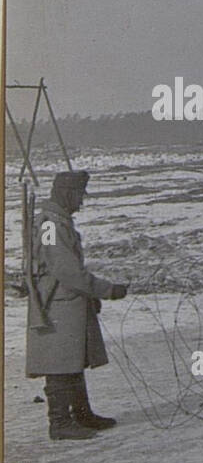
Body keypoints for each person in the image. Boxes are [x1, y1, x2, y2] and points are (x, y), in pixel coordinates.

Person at [25, 170, 129, 440]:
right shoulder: (49, 224)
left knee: (73, 359)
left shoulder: (57, 221)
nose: (81, 202)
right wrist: (105, 290)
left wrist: (91, 294)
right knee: (59, 363)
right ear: (66, 193)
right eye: (80, 195)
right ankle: (59, 423)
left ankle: (81, 414)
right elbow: (65, 269)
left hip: (67, 300)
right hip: (56, 303)